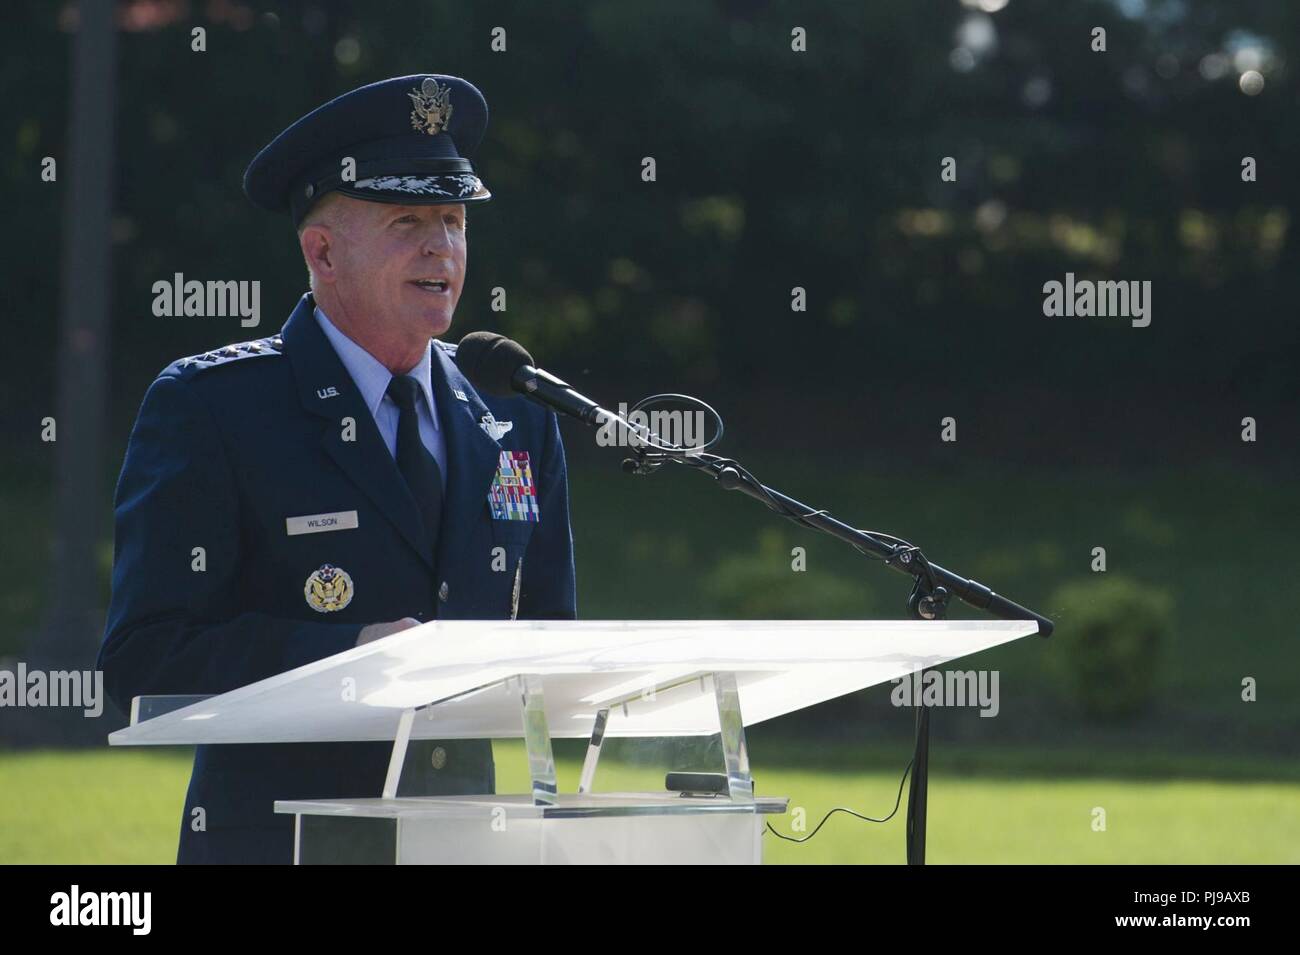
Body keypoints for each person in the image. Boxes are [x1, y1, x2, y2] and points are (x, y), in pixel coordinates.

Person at [98, 74, 576, 864]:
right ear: (321, 250)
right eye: (408, 221)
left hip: (471, 841)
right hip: (282, 841)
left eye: (454, 220)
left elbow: (551, 640)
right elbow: (147, 656)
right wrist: (352, 653)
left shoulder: (517, 414)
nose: (442, 247)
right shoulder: (215, 408)